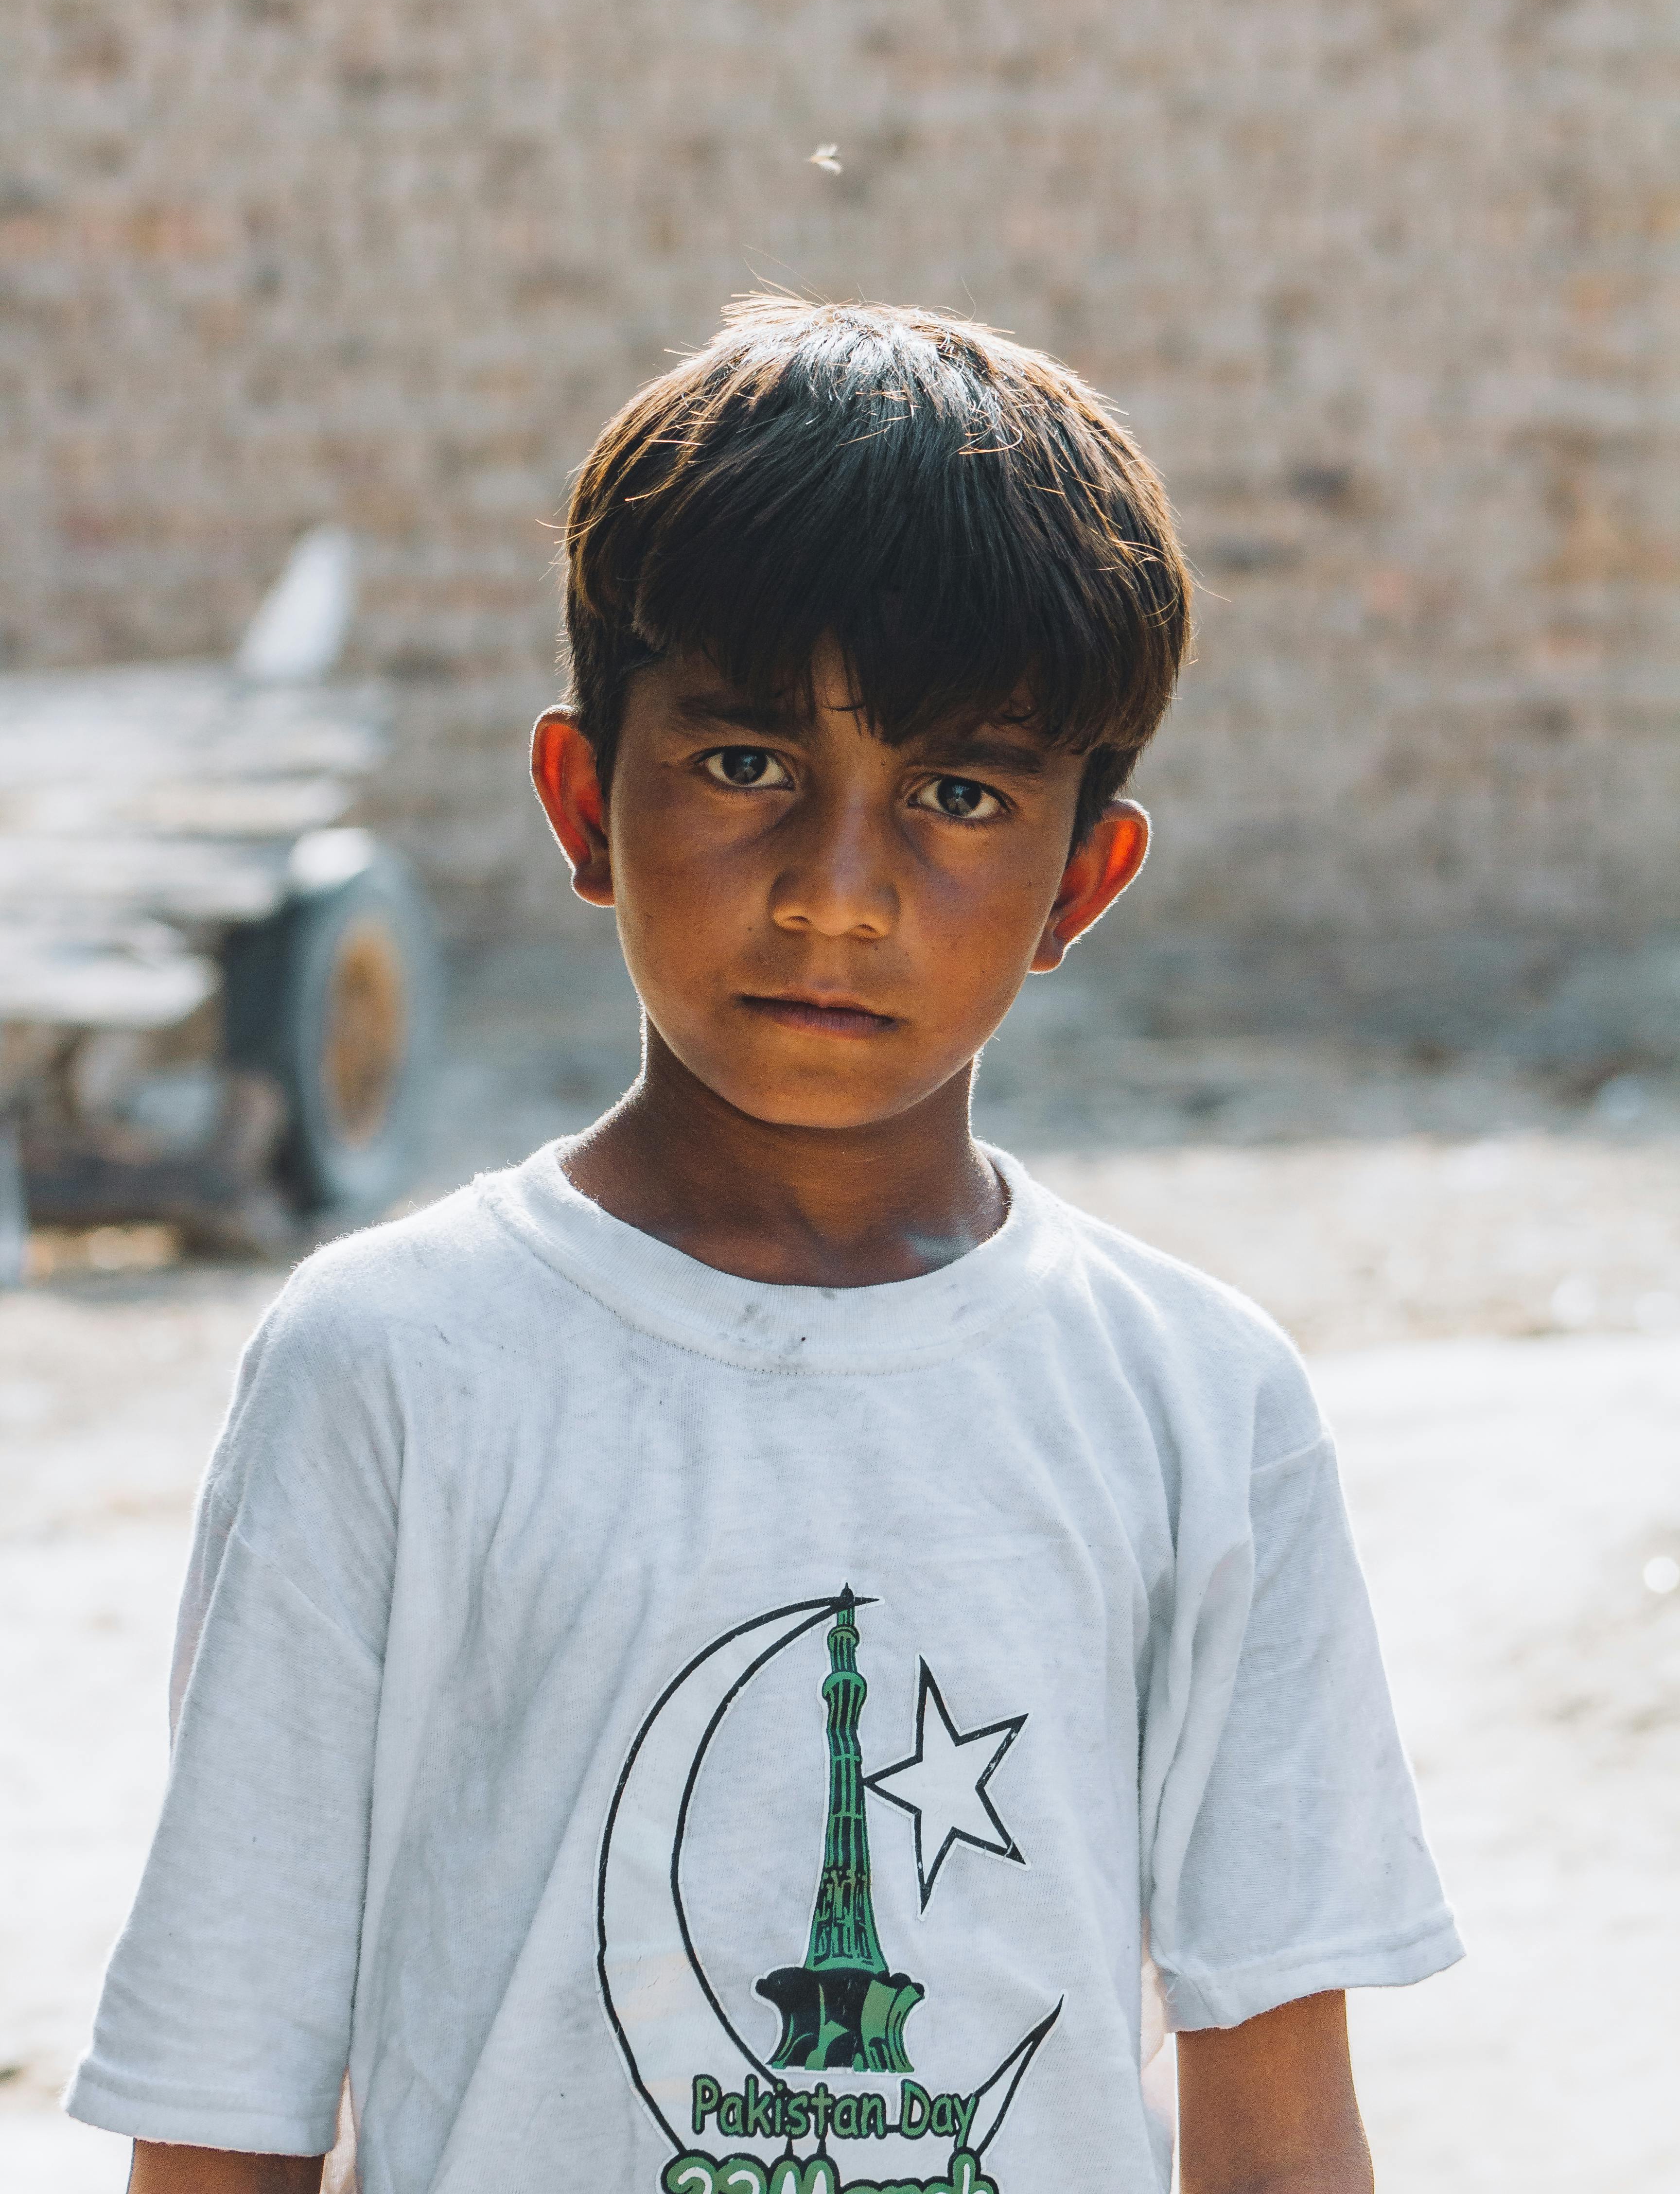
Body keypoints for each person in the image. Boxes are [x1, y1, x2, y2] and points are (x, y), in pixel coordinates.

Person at [69, 300, 1461, 2194]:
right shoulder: (385, 1370)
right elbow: (227, 2098)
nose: (836, 889)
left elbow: (1281, 2114)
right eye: (743, 765)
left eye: (960, 795)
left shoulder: (1200, 1406)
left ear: (1081, 883)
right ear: (583, 803)